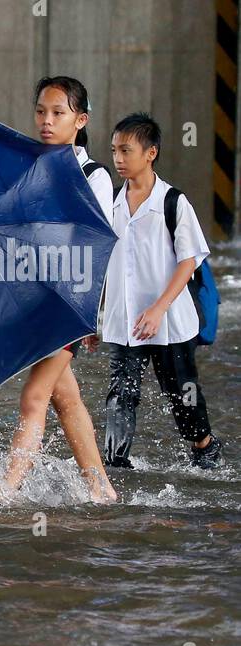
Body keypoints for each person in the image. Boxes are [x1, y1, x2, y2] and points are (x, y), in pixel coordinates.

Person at [0, 77, 118, 503]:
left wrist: (93, 311)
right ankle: (102, 490)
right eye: (41, 112)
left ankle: (6, 491)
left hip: (66, 301)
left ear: (80, 120)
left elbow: (95, 244)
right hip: (30, 295)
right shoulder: (29, 168)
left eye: (58, 114)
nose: (47, 121)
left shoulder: (94, 176)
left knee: (35, 395)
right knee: (67, 398)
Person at [102, 112, 222, 469]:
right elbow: (104, 263)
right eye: (114, 151)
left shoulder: (173, 202)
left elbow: (189, 262)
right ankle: (115, 469)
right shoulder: (109, 202)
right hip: (124, 321)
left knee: (182, 397)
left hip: (170, 322)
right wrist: (94, 314)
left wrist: (158, 309)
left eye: (126, 151)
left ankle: (204, 448)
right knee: (120, 397)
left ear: (150, 153)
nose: (119, 159)